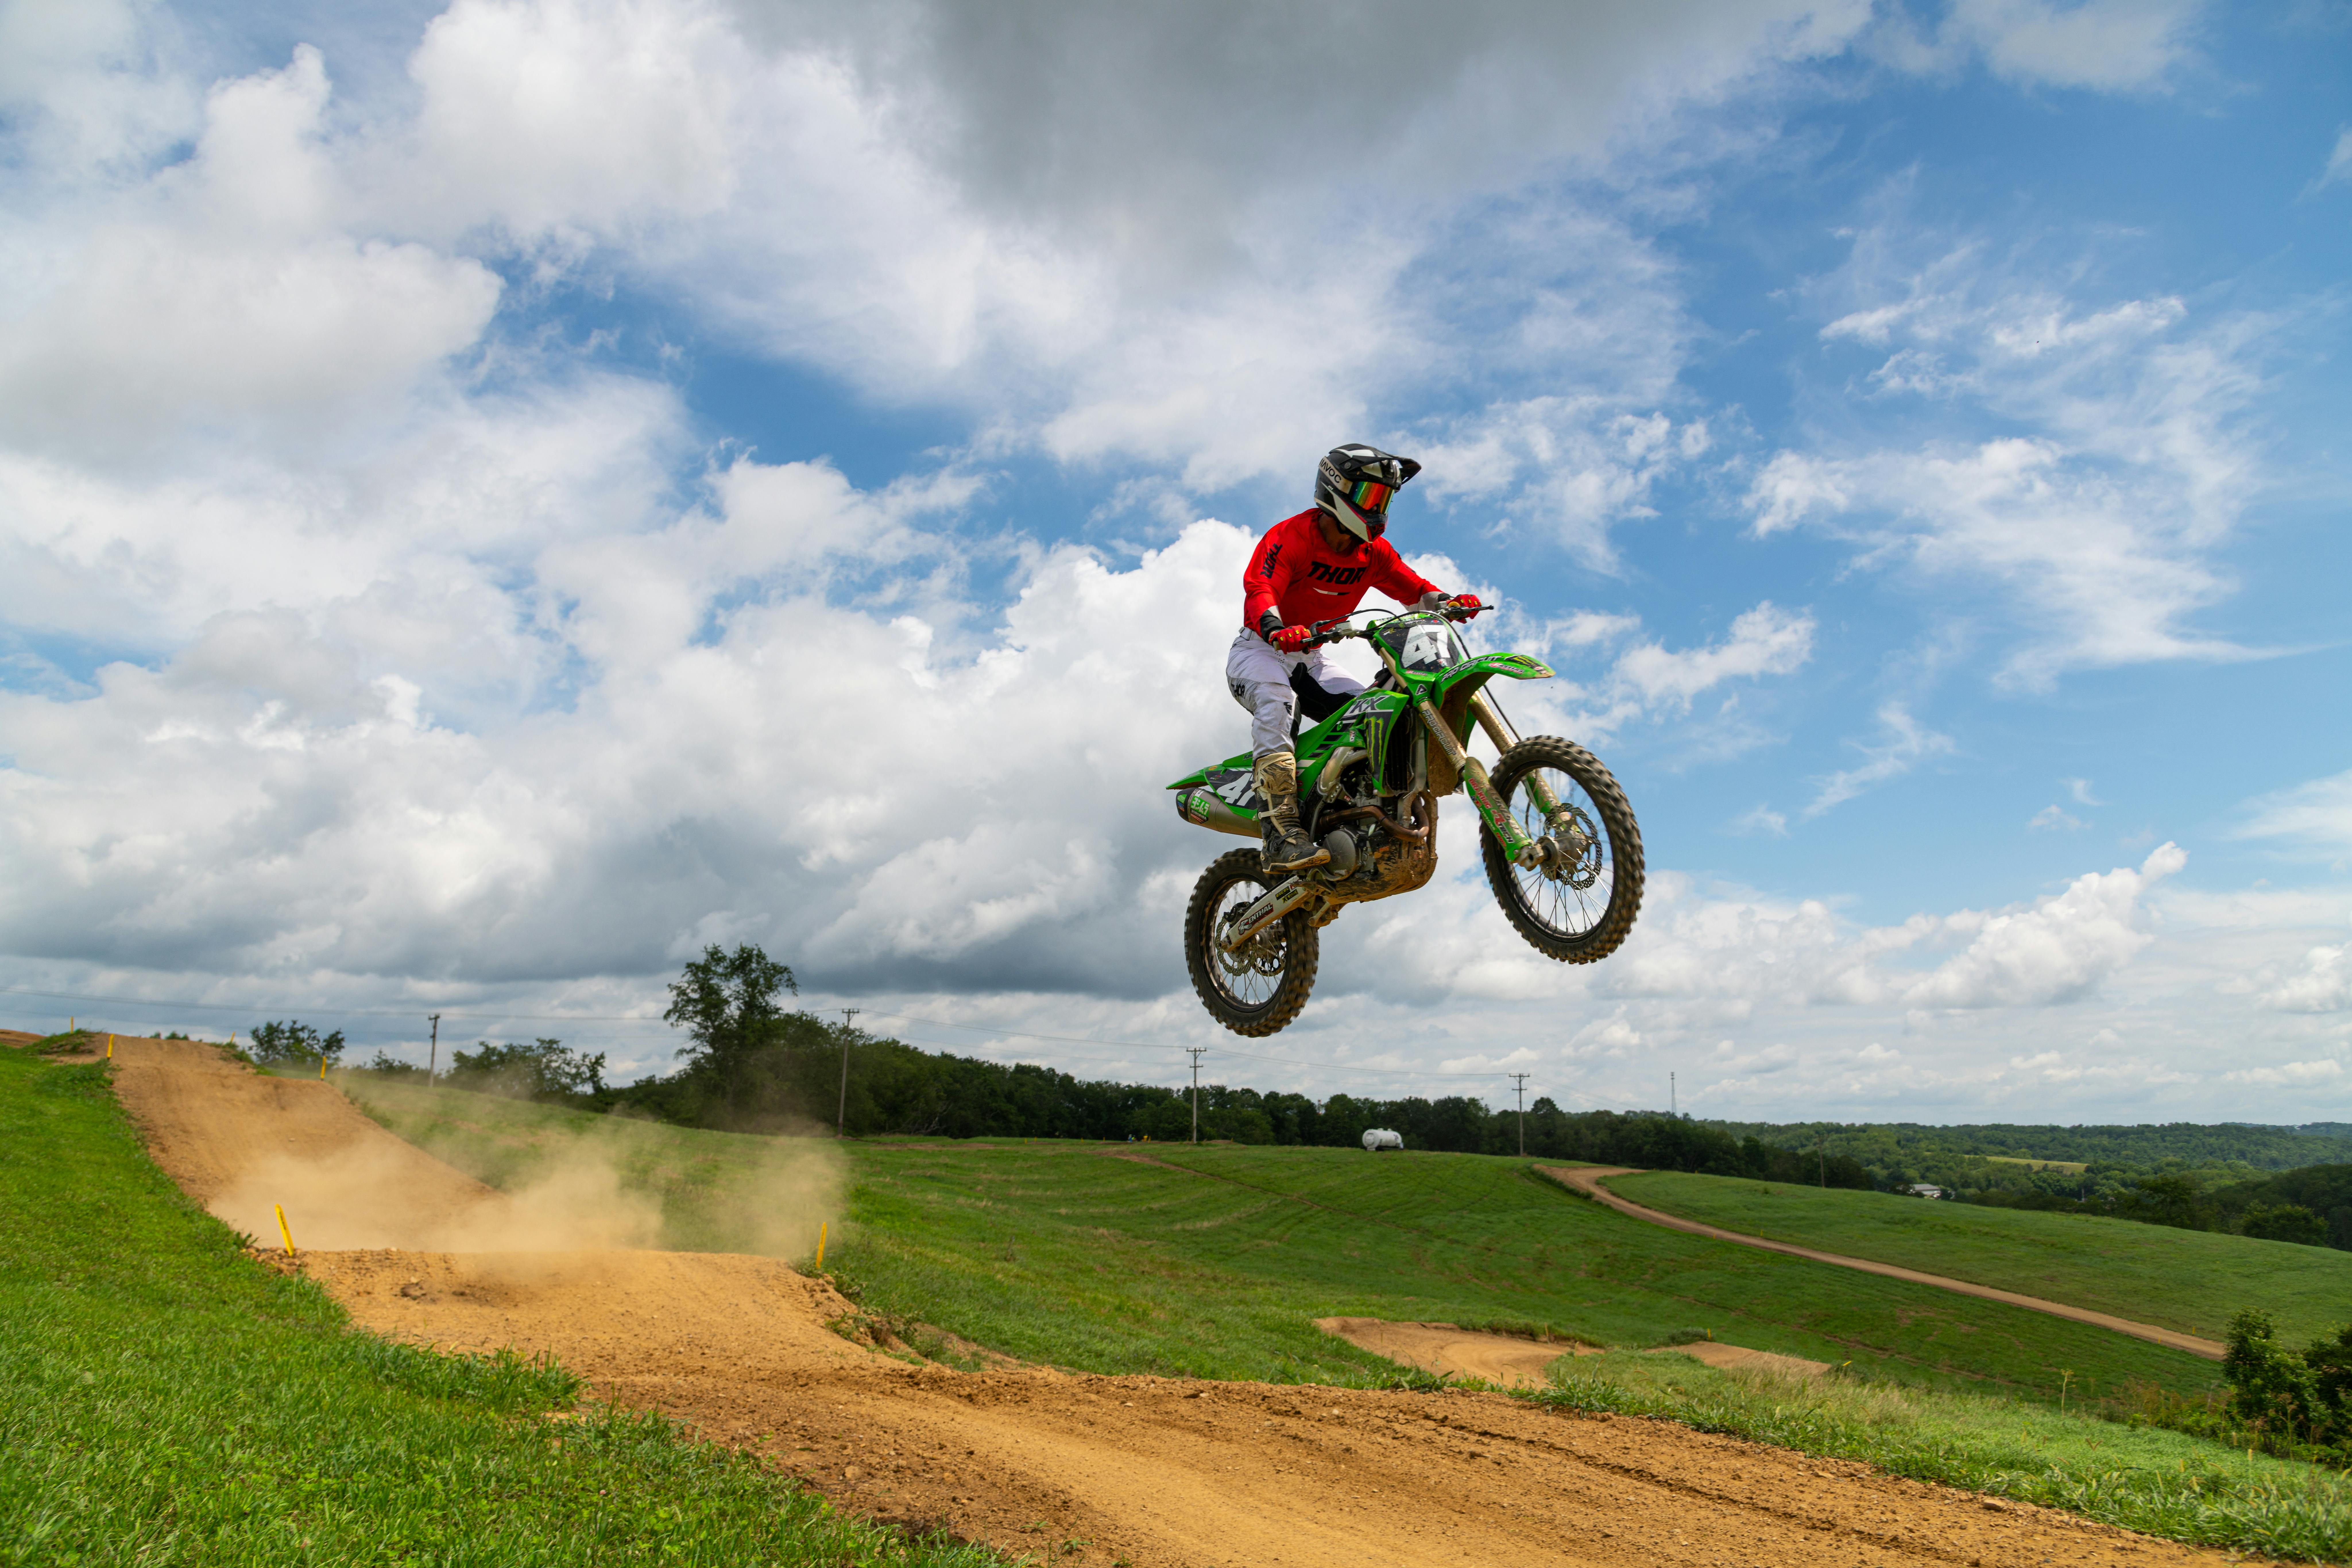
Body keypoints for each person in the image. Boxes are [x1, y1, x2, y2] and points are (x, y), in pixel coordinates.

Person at [1229, 444, 1483, 874]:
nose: (1378, 510)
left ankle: (1354, 814)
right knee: (1276, 701)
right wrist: (1274, 627)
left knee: (1378, 712)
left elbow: (1415, 590)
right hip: (1260, 650)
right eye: (1369, 497)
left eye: (1384, 500)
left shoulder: (1374, 552)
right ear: (1335, 491)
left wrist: (1450, 602)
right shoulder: (1291, 536)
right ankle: (1281, 833)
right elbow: (1261, 587)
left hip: (1312, 658)